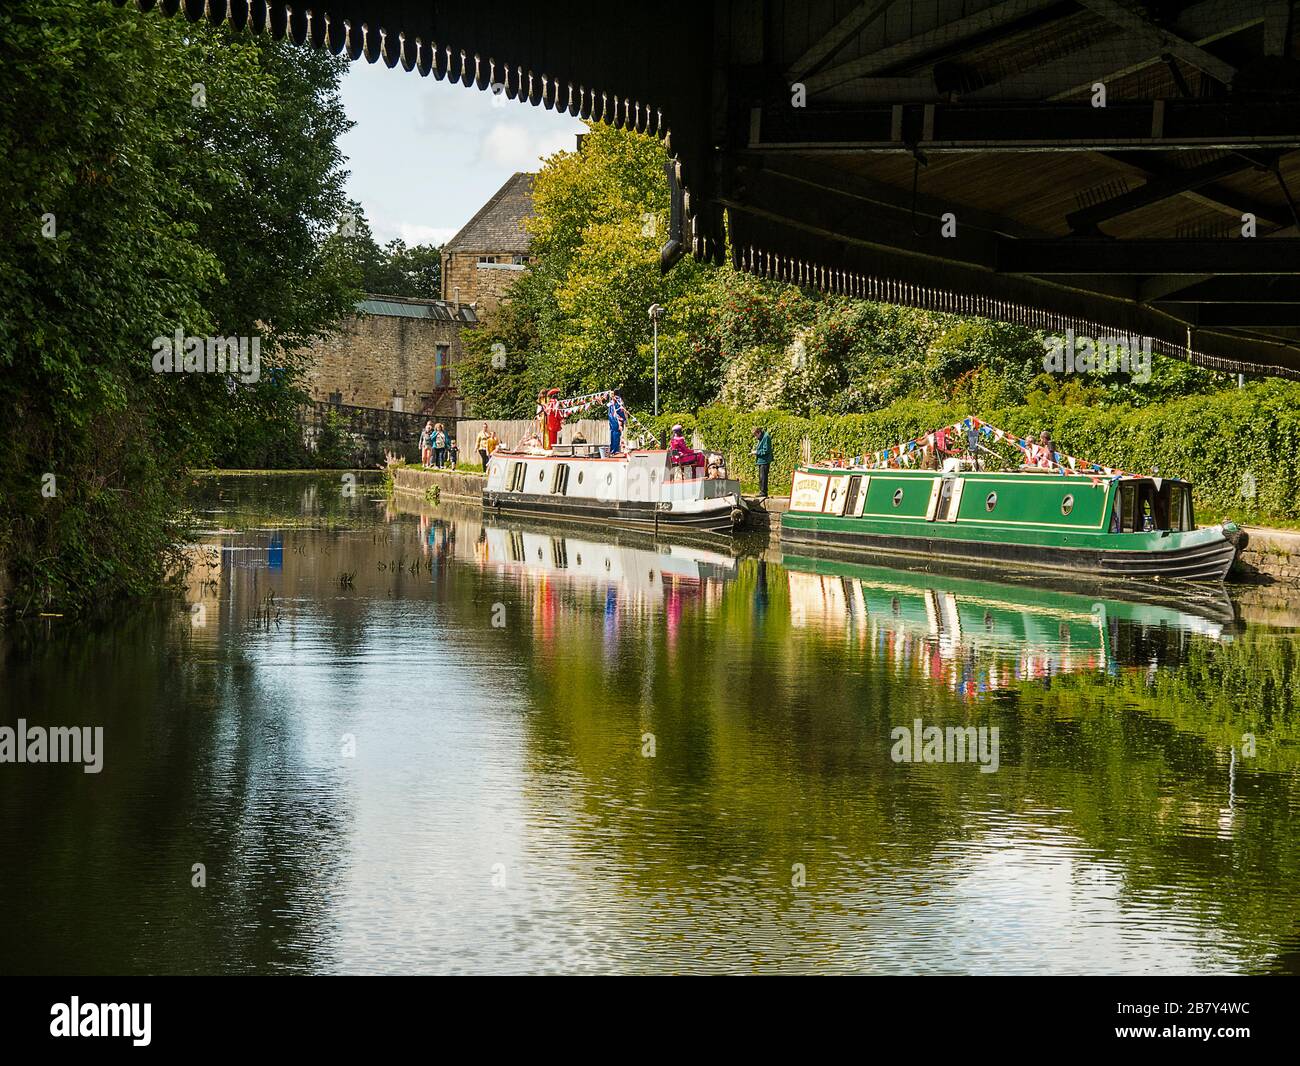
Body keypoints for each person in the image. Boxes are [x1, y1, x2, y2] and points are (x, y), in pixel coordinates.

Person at [752, 425, 773, 498]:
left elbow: (766, 450)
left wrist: (756, 452)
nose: (756, 437)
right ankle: (762, 491)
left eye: (756, 435)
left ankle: (763, 492)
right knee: (761, 477)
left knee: (763, 477)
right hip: (761, 461)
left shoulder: (766, 437)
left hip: (765, 460)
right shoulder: (762, 437)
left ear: (759, 432)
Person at [607, 390, 628, 455]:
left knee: (613, 434)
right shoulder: (618, 400)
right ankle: (615, 450)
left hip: (611, 419)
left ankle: (612, 450)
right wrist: (624, 419)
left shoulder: (612, 401)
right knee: (616, 434)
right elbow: (621, 410)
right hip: (617, 419)